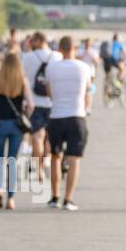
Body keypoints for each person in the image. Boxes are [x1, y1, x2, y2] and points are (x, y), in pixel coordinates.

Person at [45, 35, 92, 211]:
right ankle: (68, 199)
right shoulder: (84, 67)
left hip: (56, 116)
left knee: (56, 157)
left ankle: (55, 196)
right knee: (74, 159)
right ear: (75, 48)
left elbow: (49, 92)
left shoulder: (52, 67)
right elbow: (87, 92)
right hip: (76, 115)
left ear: (60, 48)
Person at [0, 47, 33, 210]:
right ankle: (10, 199)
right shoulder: (22, 80)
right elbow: (31, 104)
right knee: (12, 161)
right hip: (16, 125)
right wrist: (25, 113)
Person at [21, 31, 59, 183]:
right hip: (52, 102)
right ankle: (47, 161)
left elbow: (22, 79)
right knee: (49, 137)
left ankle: (39, 170)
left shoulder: (28, 57)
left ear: (37, 41)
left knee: (37, 137)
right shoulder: (57, 56)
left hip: (33, 102)